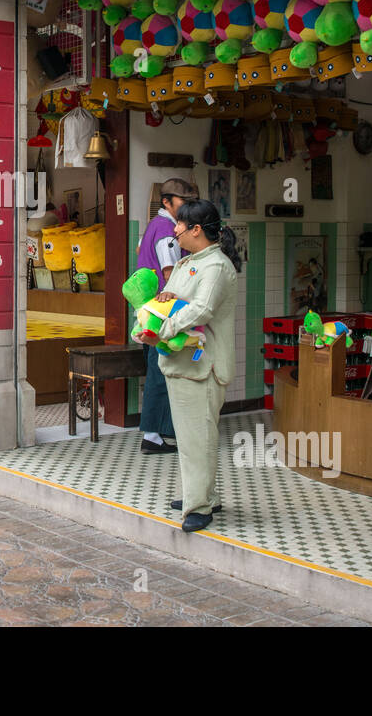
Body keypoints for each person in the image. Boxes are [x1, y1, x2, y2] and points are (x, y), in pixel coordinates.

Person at [156, 200, 241, 533]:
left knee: (197, 438)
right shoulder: (189, 262)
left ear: (196, 230)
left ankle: (199, 507)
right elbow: (174, 299)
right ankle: (204, 494)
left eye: (180, 224)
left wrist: (164, 328)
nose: (174, 230)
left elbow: (202, 309)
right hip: (184, 362)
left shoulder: (216, 266)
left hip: (204, 365)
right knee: (193, 436)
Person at [134, 178, 199, 456]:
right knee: (162, 371)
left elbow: (141, 252)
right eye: (183, 203)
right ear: (167, 202)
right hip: (163, 311)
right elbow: (171, 274)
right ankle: (153, 435)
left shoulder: (153, 227)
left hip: (150, 311)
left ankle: (157, 432)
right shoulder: (167, 231)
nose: (187, 209)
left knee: (159, 369)